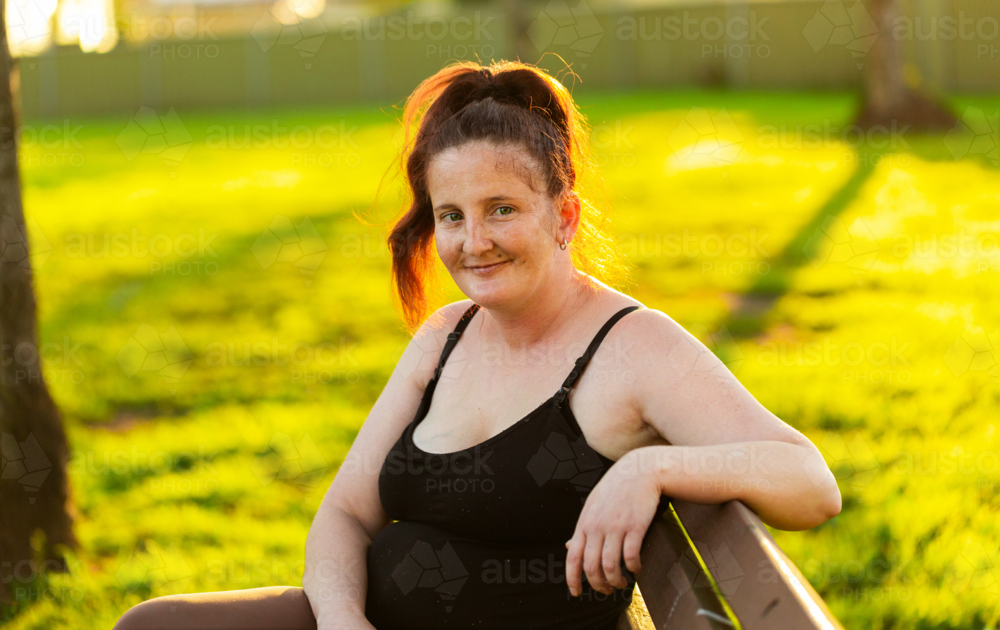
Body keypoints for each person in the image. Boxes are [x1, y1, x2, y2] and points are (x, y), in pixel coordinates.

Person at [113, 60, 841, 630]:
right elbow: (343, 515)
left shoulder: (632, 346)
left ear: (564, 215)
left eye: (502, 209)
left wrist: (651, 466)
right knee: (152, 624)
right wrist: (341, 616)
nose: (473, 242)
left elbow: (810, 483)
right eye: (451, 215)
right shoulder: (444, 337)